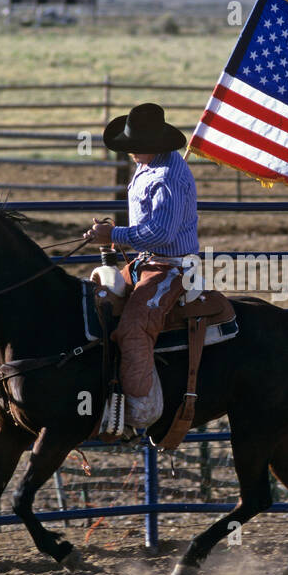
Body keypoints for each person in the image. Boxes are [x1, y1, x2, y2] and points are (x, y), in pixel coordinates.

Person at [84, 103, 199, 428]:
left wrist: (113, 234)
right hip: (148, 262)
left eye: (136, 146)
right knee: (99, 301)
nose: (131, 151)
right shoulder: (152, 165)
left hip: (172, 268)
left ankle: (140, 413)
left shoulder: (168, 178)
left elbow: (161, 233)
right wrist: (112, 235)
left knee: (134, 328)